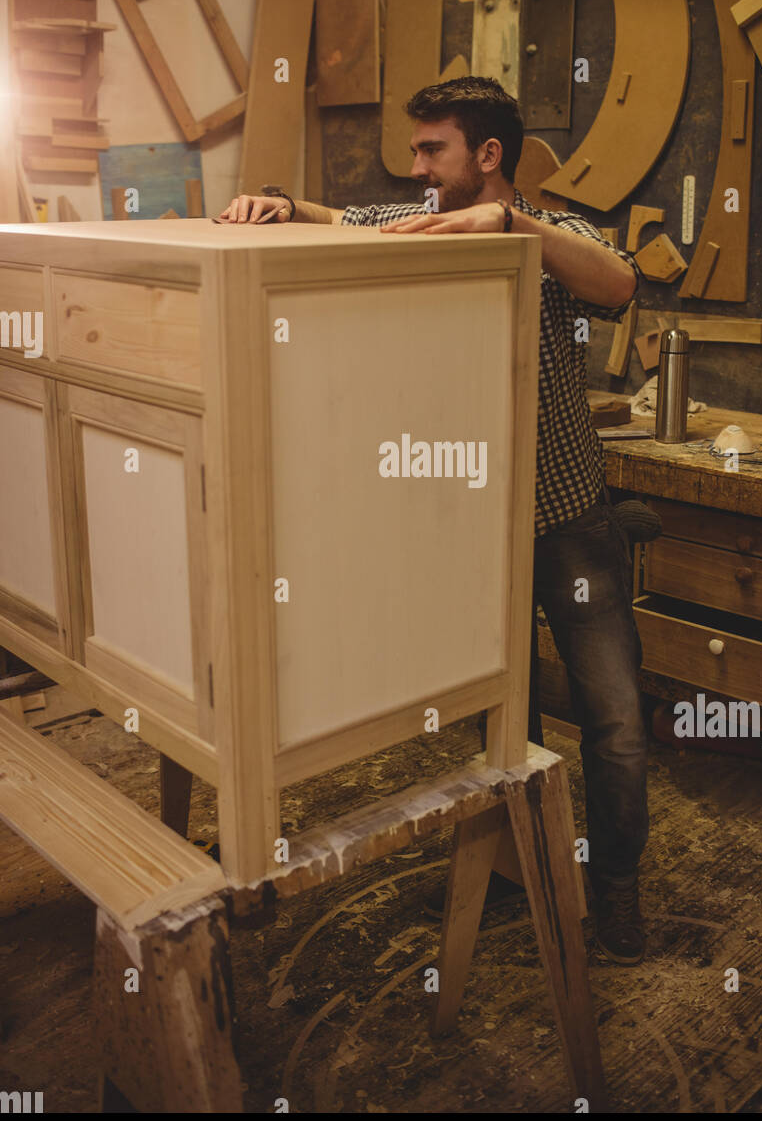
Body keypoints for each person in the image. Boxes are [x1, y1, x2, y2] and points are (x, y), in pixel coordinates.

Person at [219, 76, 650, 964]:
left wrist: (505, 226)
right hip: (472, 538)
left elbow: (620, 280)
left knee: (616, 723)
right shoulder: (418, 217)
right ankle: (521, 867)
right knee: (502, 725)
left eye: (431, 151)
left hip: (569, 520)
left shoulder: (549, 233)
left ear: (487, 156)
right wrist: (278, 201)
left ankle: (615, 890)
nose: (415, 166)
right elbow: (344, 219)